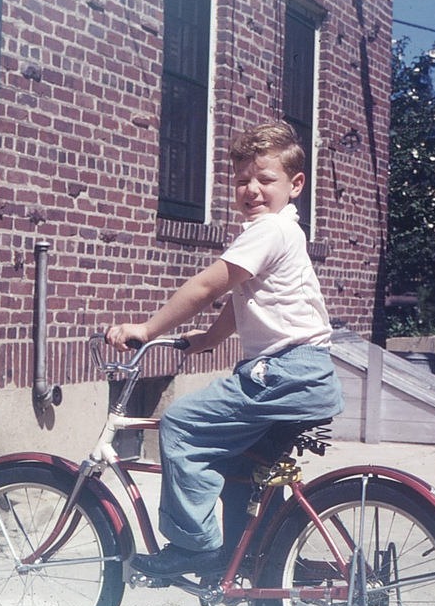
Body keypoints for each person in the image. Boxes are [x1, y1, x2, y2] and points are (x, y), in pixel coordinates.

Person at [106, 121, 344, 578]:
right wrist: (209, 341)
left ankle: (193, 547)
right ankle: (251, 566)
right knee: (241, 467)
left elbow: (205, 287)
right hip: (300, 374)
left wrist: (147, 329)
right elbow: (244, 299)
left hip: (285, 372)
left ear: (295, 185)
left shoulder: (268, 230)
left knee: (181, 424)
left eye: (265, 179)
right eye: (241, 180)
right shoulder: (285, 231)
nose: (252, 189)